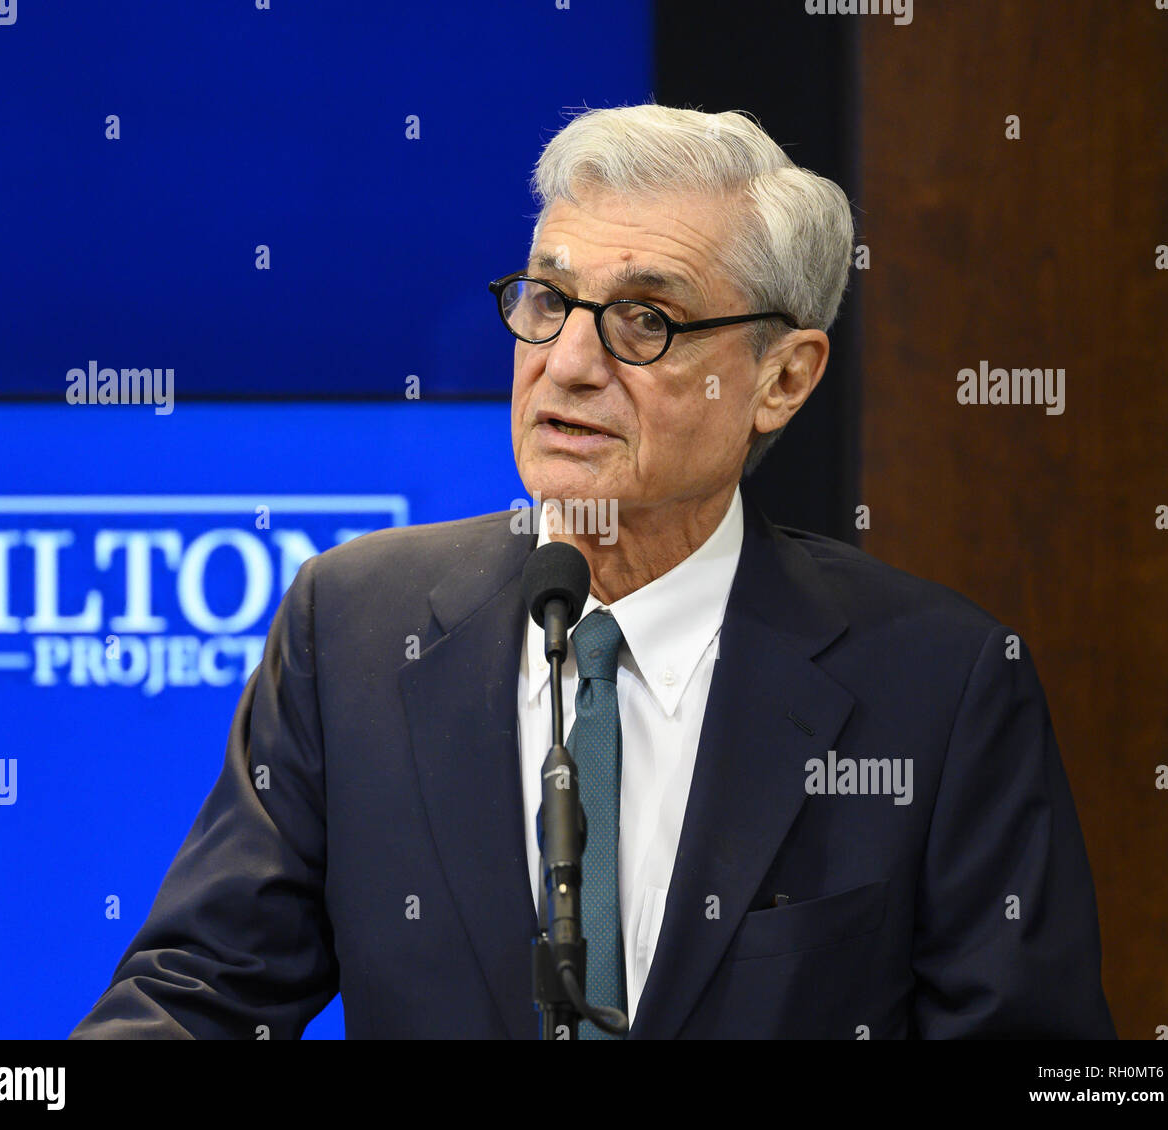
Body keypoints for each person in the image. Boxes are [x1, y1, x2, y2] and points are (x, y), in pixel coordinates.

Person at [70, 104, 1114, 1040]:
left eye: (644, 320)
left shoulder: (936, 686)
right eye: (546, 298)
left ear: (782, 380)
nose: (566, 362)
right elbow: (200, 991)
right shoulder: (350, 628)